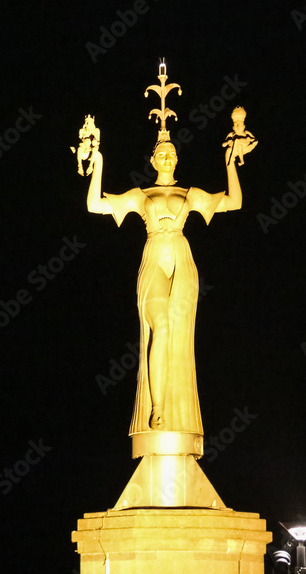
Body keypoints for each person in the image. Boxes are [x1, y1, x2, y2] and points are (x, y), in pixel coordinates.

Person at [85, 136, 243, 434]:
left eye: (172, 153)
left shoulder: (189, 194)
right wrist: (99, 163)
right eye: (162, 153)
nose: (168, 157)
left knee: (178, 337)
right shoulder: (141, 195)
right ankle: (157, 409)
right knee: (161, 327)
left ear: (177, 159)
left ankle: (176, 410)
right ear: (152, 161)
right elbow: (94, 205)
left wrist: (230, 163)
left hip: (183, 263)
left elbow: (235, 202)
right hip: (154, 260)